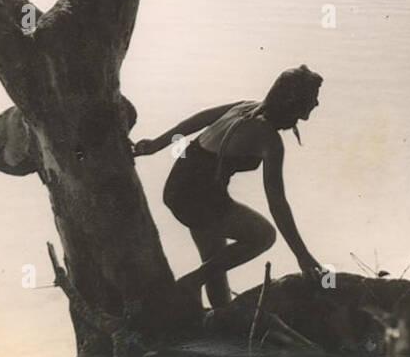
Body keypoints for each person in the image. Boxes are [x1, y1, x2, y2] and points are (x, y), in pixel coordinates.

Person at [132, 65, 325, 309]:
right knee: (264, 235)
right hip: (201, 197)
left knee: (214, 266)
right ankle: (190, 283)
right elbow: (277, 201)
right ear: (294, 103)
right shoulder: (269, 140)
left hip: (180, 187)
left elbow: (200, 119)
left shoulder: (246, 106)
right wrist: (302, 255)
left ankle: (216, 314)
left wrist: (157, 144)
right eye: (312, 98)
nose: (317, 104)